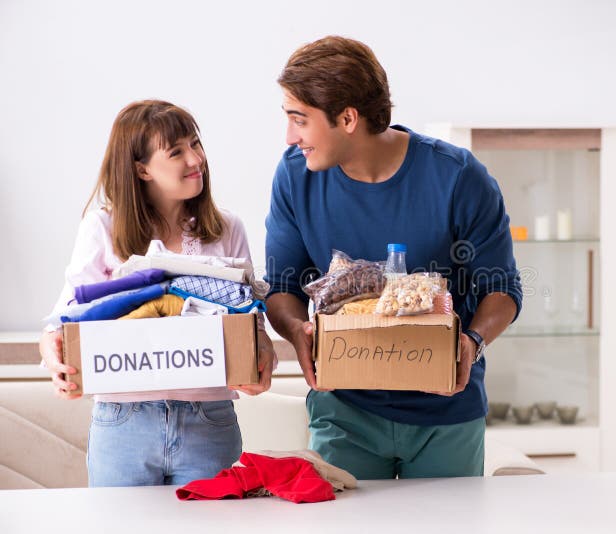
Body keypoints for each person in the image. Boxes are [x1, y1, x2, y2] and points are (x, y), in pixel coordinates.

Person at [264, 36, 522, 479]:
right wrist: (295, 329)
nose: (291, 136)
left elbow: (502, 289)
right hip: (344, 410)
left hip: (446, 410)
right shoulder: (294, 178)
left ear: (347, 118)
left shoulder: (457, 178)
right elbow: (283, 287)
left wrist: (472, 342)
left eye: (299, 120)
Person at [39, 100, 275, 487]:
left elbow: (252, 323)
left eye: (195, 144)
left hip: (209, 419)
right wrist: (53, 352)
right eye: (177, 151)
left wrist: (261, 355)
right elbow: (66, 317)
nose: (195, 158)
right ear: (141, 168)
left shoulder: (227, 228)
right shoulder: (102, 227)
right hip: (123, 424)